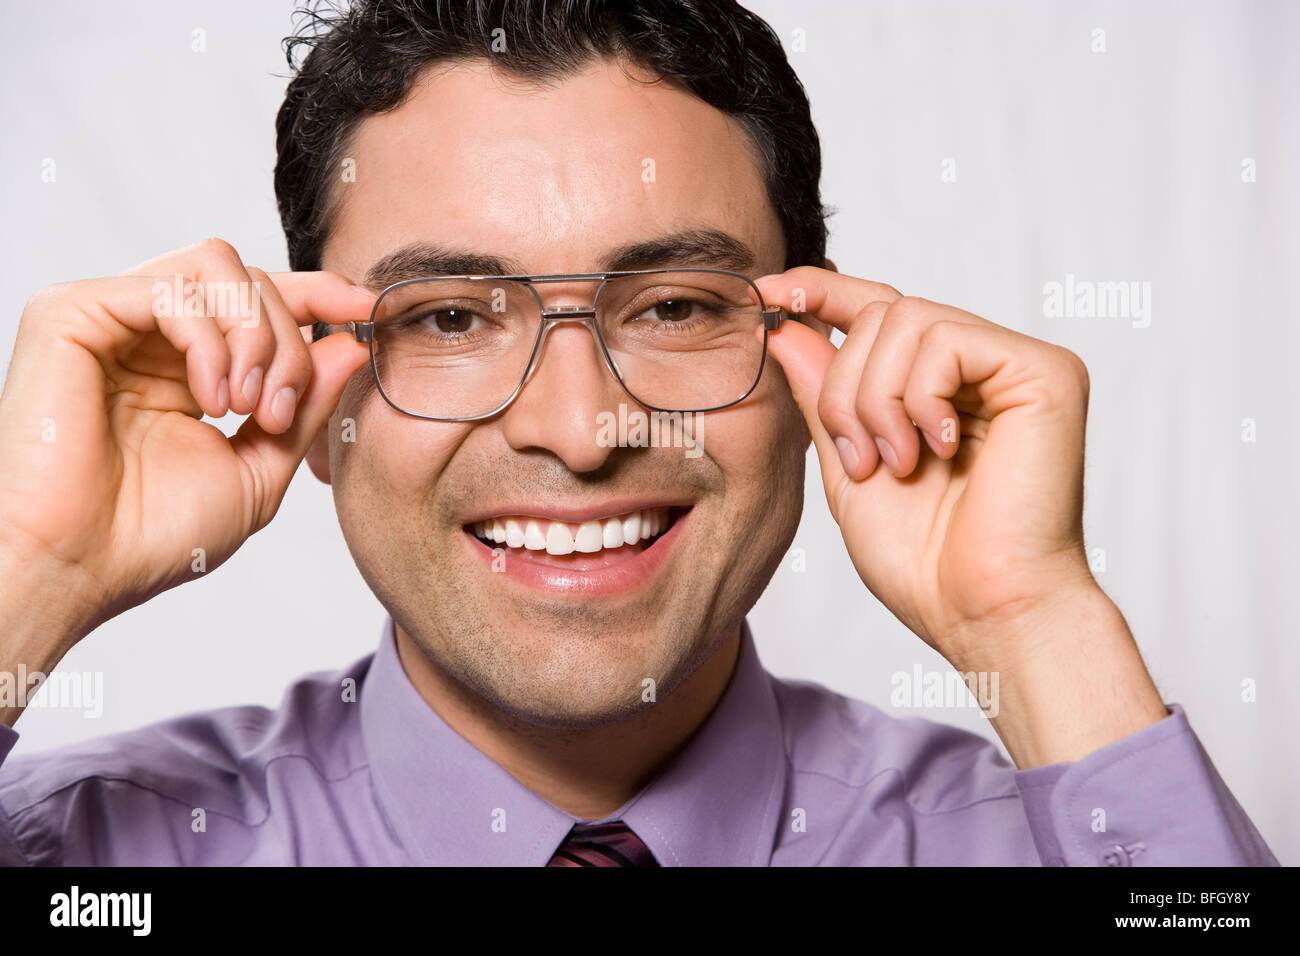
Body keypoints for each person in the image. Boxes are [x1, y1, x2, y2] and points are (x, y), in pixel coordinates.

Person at [0, 0, 1277, 866]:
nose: (579, 425)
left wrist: (1036, 625)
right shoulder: (86, 858)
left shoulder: (1057, 846)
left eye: (671, 305)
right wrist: (26, 567)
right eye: (450, 314)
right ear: (318, 384)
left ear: (817, 357)